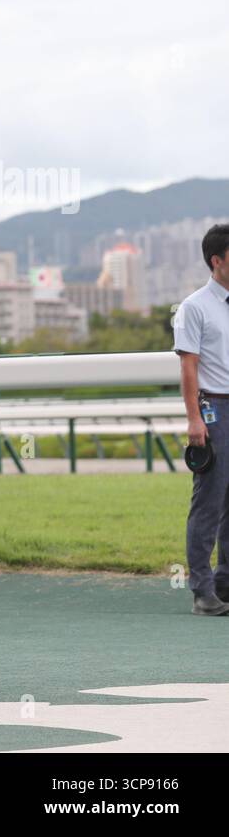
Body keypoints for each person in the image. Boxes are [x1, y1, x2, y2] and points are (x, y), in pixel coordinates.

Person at [173, 224, 229, 616]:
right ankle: (202, 590)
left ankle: (224, 581)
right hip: (214, 407)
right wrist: (195, 419)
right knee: (208, 501)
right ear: (218, 261)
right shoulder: (194, 306)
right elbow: (188, 369)